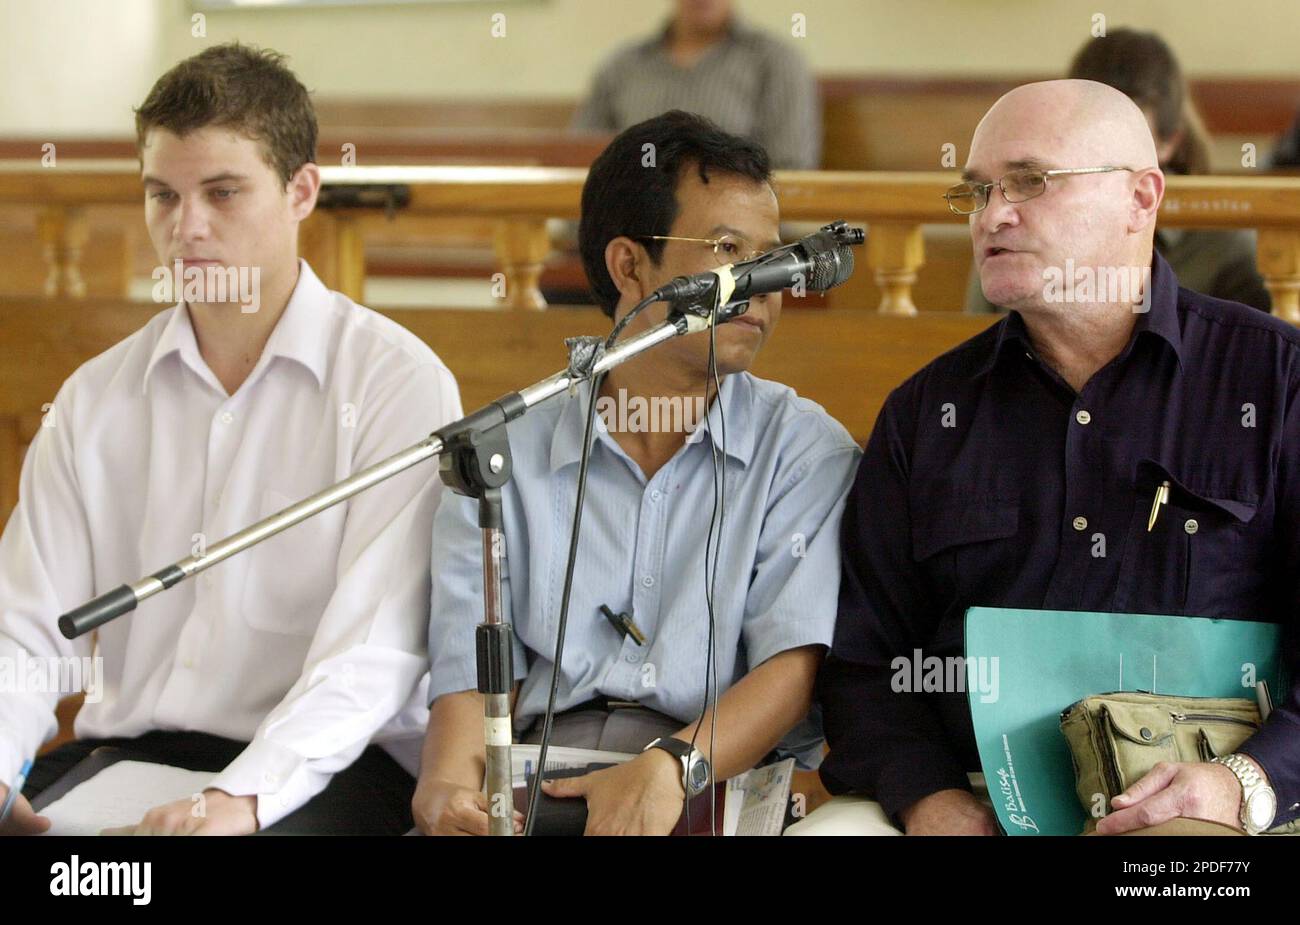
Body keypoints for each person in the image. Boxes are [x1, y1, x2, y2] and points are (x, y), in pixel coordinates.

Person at [806, 79, 1300, 836]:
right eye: (976, 192)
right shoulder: (925, 414)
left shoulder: (1275, 379)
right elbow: (865, 662)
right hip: (969, 794)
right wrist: (927, 798)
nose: (991, 215)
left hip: (1208, 793)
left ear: (1142, 197)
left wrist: (1245, 782)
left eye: (1030, 181)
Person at [0, 43, 462, 835]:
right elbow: (28, 628)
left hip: (326, 770)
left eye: (222, 193)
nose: (187, 229)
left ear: (301, 190)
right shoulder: (96, 397)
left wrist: (237, 800)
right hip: (128, 757)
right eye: (162, 196)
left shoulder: (394, 383)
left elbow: (373, 653)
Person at [414, 110, 858, 835]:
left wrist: (671, 767)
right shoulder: (505, 449)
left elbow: (792, 668)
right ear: (630, 265)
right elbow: (471, 670)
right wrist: (445, 787)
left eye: (773, 255)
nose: (765, 282)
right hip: (537, 776)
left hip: (709, 779)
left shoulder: (804, 450)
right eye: (726, 248)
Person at [966, 29, 1271, 314]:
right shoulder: (1010, 225)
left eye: (1129, 134)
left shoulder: (1228, 246)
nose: (994, 216)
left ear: (1169, 142)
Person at [572, 0, 821, 169]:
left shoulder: (776, 61)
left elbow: (792, 170)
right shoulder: (621, 65)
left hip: (736, 236)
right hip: (631, 231)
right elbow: (583, 161)